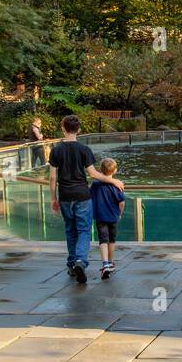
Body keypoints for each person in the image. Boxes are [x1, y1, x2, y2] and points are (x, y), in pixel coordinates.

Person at [49, 114, 124, 284]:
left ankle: (71, 264)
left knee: (70, 229)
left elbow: (53, 178)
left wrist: (53, 198)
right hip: (82, 195)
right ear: (79, 130)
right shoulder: (84, 150)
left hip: (65, 195)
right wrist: (113, 180)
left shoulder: (56, 150)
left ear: (63, 128)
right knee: (83, 230)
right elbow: (93, 174)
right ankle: (80, 262)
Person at [90, 157, 126, 279]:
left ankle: (105, 263)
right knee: (112, 240)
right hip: (113, 216)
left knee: (103, 240)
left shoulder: (95, 185)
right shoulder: (117, 185)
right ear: (115, 170)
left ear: (100, 170)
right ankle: (110, 261)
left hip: (100, 216)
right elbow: (121, 202)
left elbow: (90, 197)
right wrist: (120, 213)